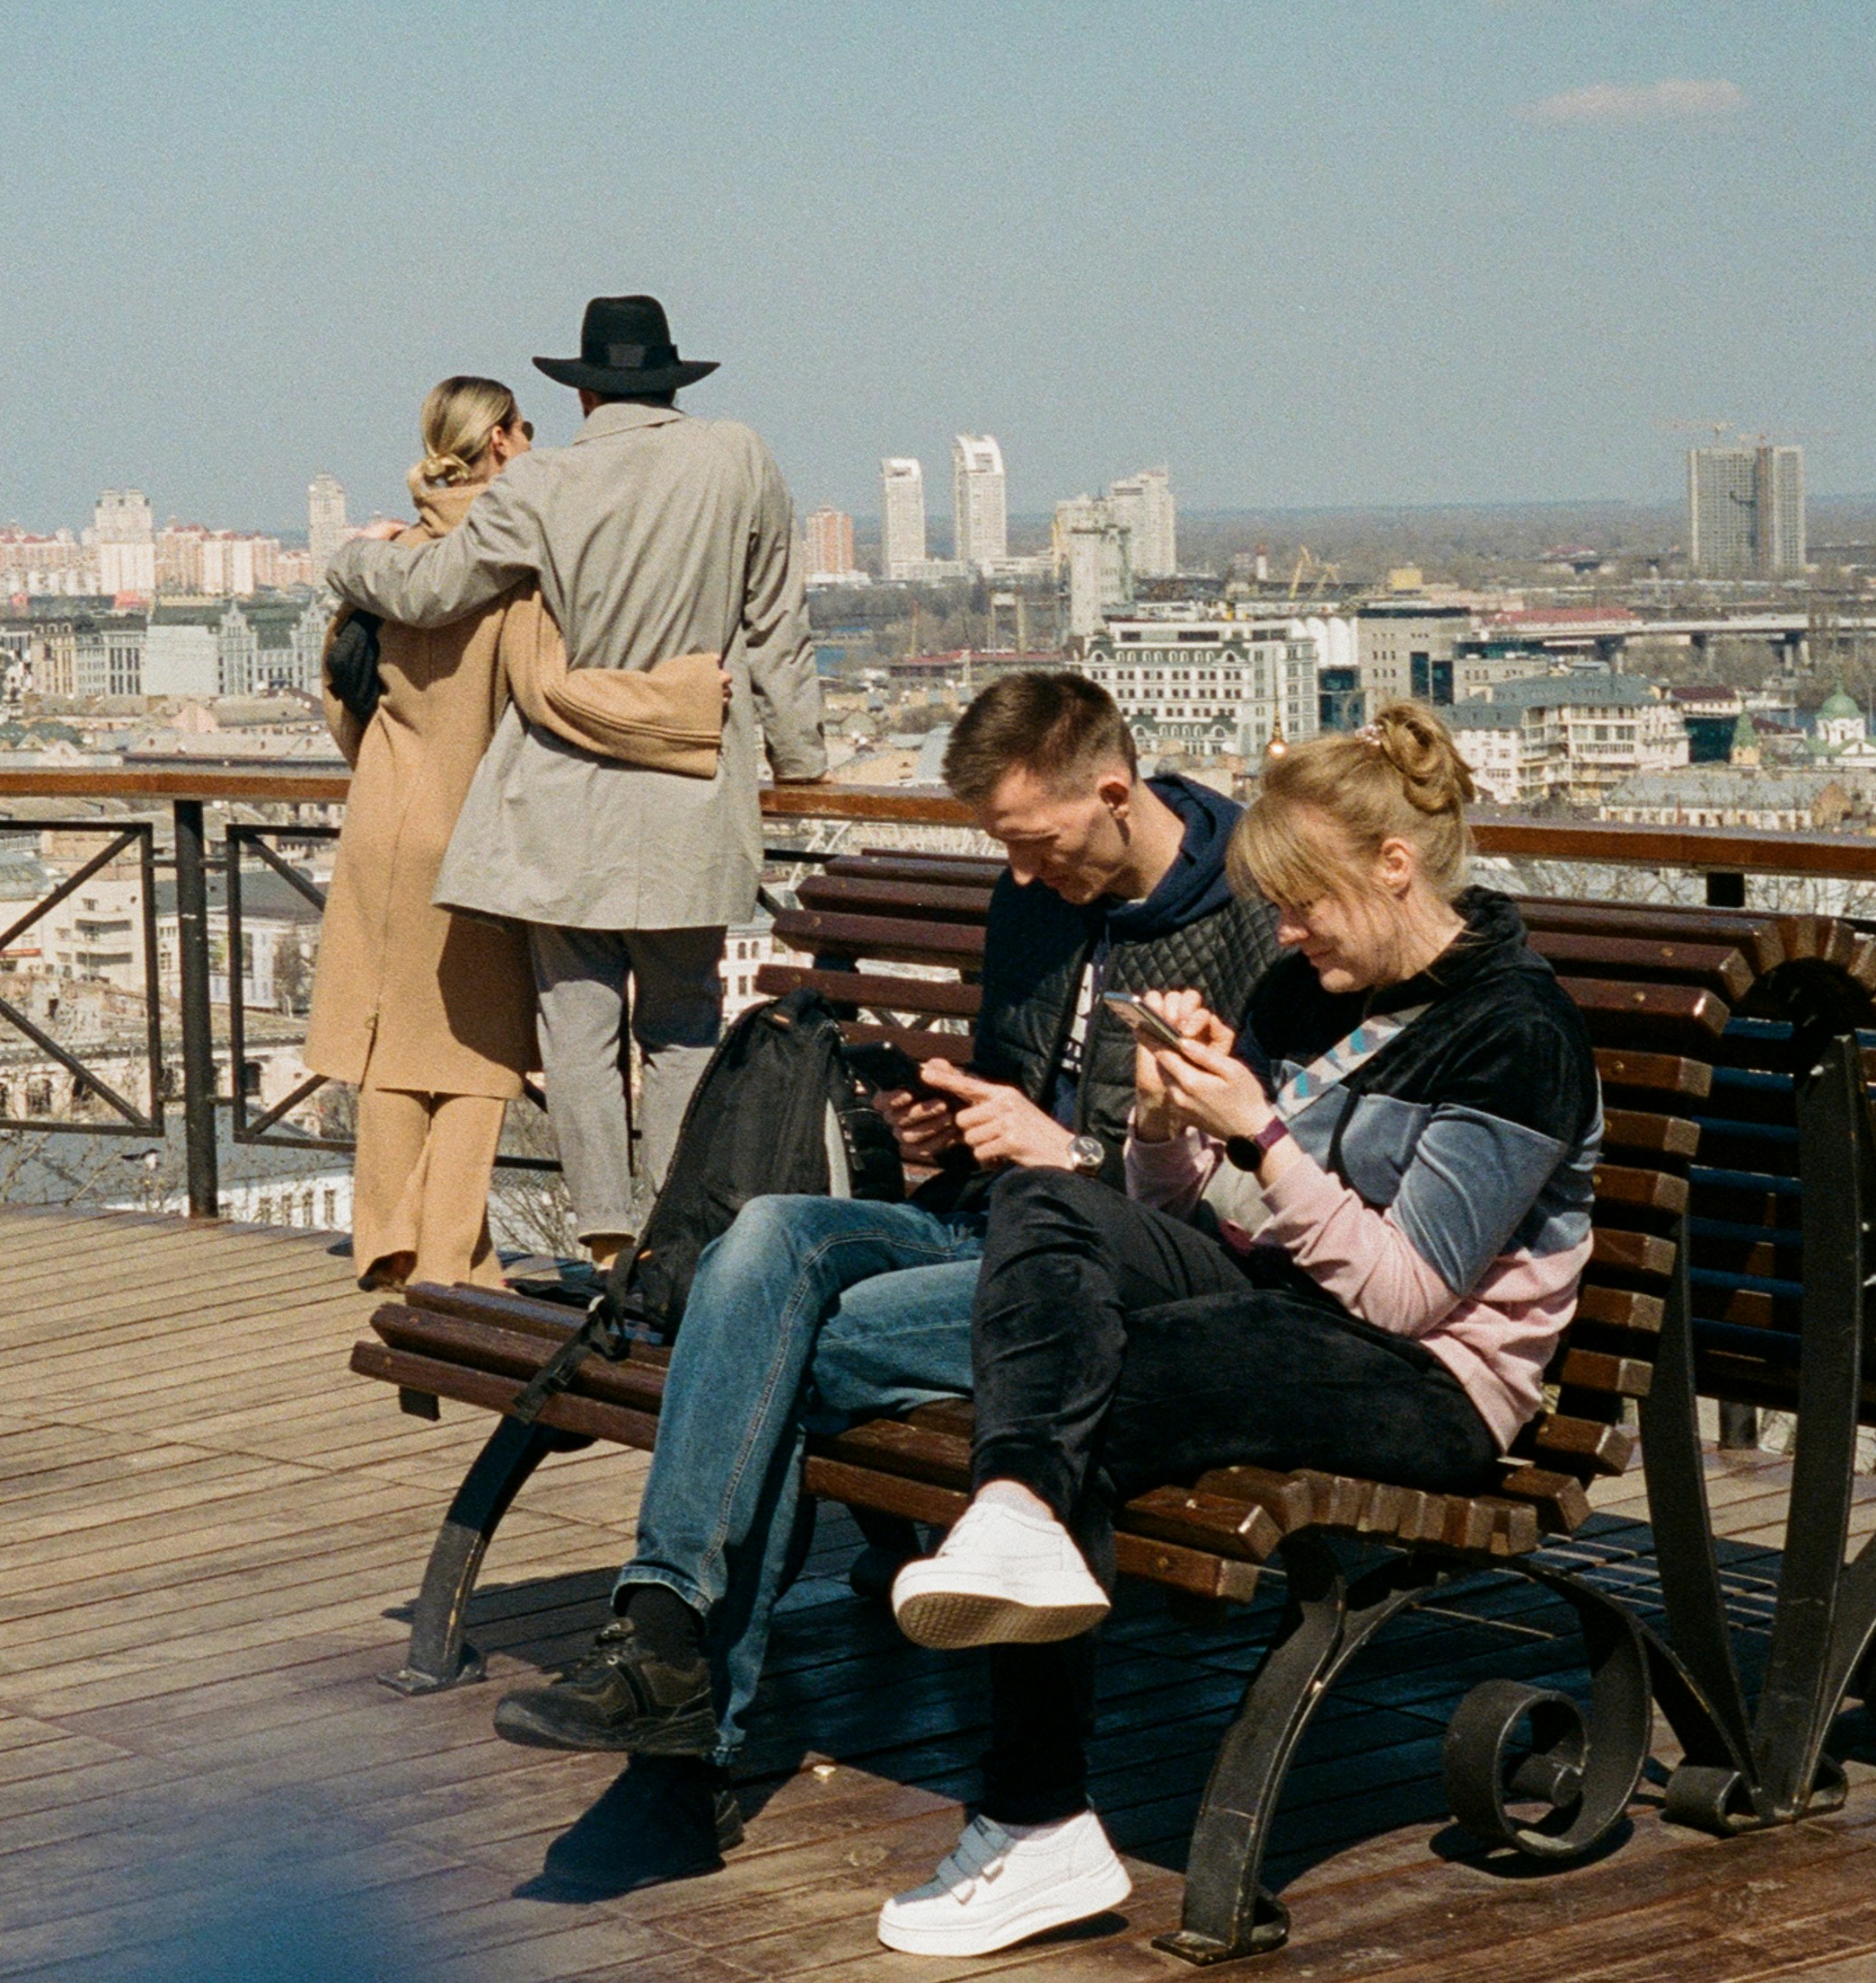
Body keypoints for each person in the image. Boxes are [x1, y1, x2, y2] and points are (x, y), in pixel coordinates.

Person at [487, 674, 1284, 1851]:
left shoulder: (1254, 922)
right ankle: (660, 1632)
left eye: (1037, 843)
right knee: (760, 1240)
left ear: (1114, 793)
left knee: (771, 1346)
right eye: (1003, 848)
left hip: (1116, 1272)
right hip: (990, 1221)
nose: (1021, 874)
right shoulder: (1036, 903)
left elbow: (1252, 1197)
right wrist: (921, 1125)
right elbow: (1012, 1091)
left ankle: (684, 1742)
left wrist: (1068, 1152)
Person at [870, 703, 1606, 1957]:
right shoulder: (1305, 989)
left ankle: (1036, 1819)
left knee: (1084, 1403)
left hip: (1431, 1385)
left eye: (1304, 899)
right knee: (1050, 1202)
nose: (1284, 928)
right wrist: (1167, 1127)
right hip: (1285, 1310)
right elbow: (1197, 1220)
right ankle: (1013, 1519)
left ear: (1395, 867)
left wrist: (1262, 1131)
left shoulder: (1515, 1034)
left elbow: (1409, 1295)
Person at [319, 296, 823, 1265]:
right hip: (691, 791)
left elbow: (429, 592)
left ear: (582, 388)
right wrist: (800, 763)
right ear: (673, 381)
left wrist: (350, 561)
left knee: (579, 1027)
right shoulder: (738, 457)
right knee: (680, 1028)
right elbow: (773, 627)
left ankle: (605, 1236)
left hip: (563, 800)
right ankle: (680, 1234)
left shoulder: (542, 480)